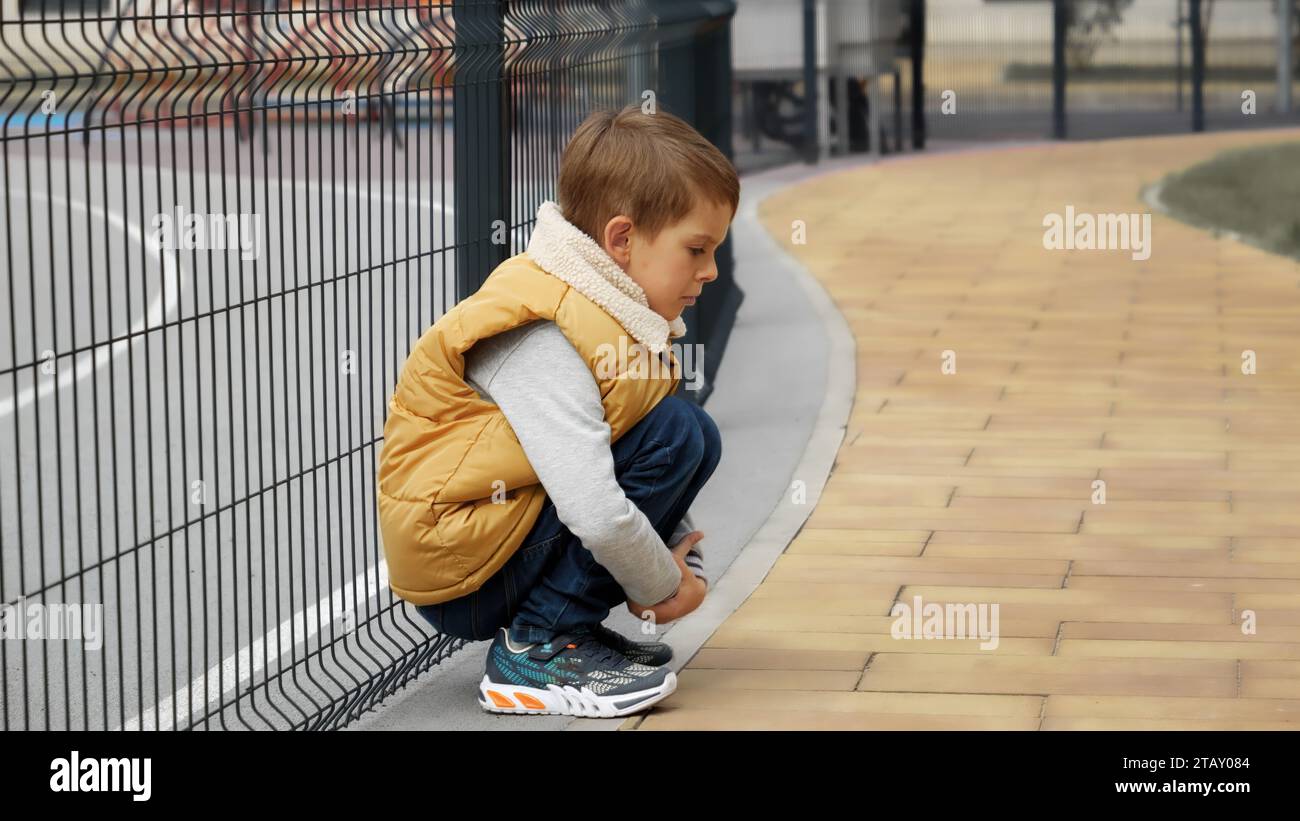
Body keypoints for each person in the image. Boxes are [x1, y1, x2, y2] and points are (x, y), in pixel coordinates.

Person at [377, 103, 738, 718]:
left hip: (503, 533)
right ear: (622, 240)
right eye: (697, 249)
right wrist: (665, 587)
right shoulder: (542, 328)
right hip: (464, 565)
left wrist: (674, 557)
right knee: (678, 430)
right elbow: (596, 510)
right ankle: (537, 645)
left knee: (689, 430)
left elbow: (627, 447)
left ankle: (567, 628)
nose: (709, 272)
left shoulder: (601, 308)